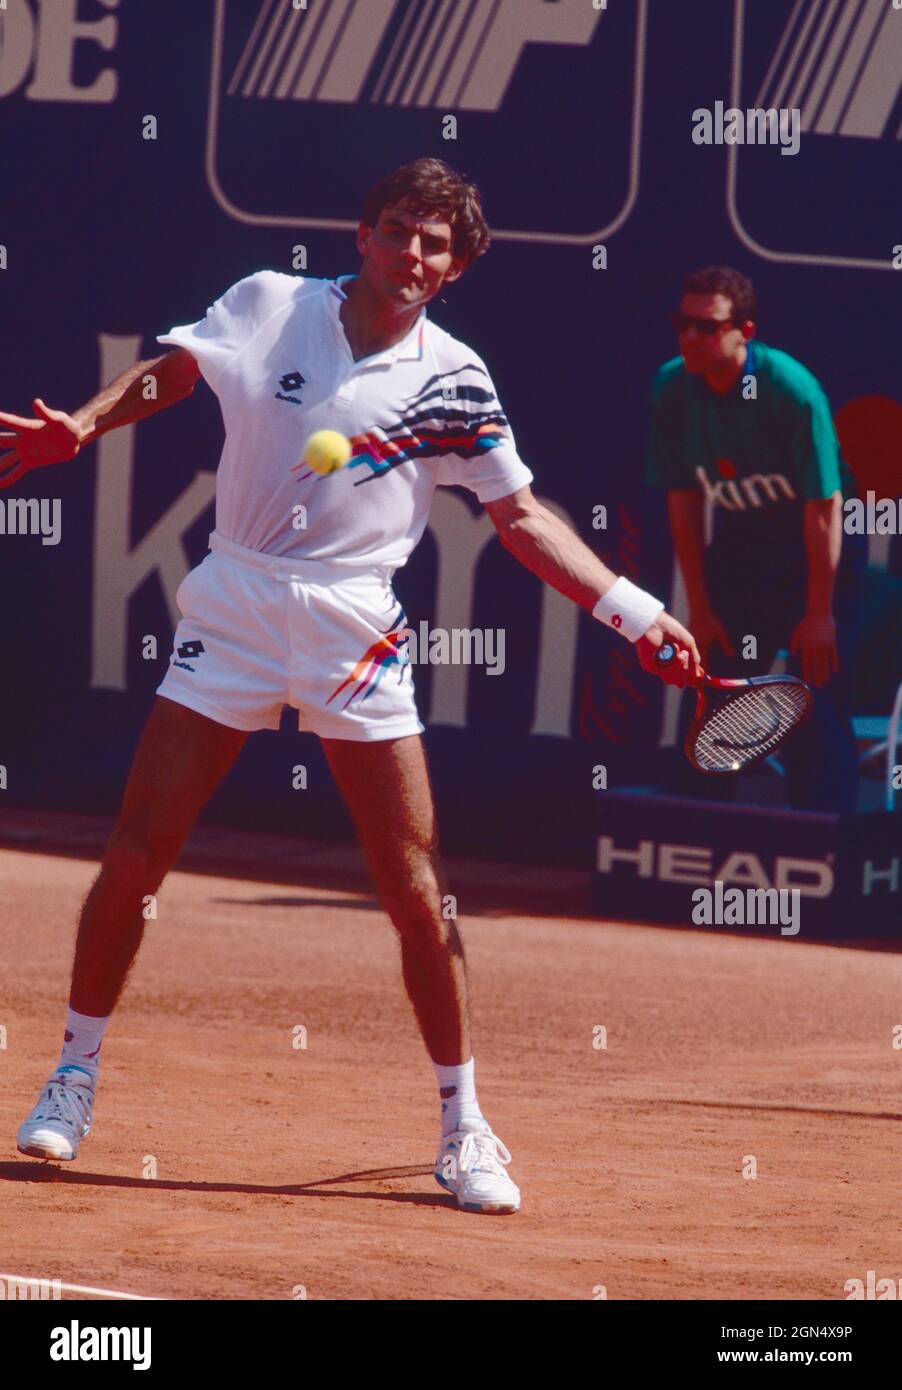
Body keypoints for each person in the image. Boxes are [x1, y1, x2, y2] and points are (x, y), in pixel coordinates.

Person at [1, 158, 698, 1215]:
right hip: (235, 600)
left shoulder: (456, 379)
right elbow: (174, 371)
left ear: (455, 266)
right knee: (139, 845)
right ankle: (75, 1071)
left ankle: (464, 1126)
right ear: (362, 236)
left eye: (435, 243)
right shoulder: (269, 304)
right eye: (398, 232)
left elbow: (519, 519)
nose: (413, 254)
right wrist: (83, 428)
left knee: (415, 882)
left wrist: (632, 612)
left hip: (354, 623)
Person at [647, 266, 865, 812]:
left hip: (818, 551)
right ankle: (691, 838)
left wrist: (819, 615)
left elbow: (823, 509)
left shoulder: (792, 390)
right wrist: (699, 607)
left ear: (744, 330)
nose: (690, 338)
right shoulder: (672, 387)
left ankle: (820, 844)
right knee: (713, 685)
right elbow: (684, 501)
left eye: (706, 327)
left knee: (816, 691)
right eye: (682, 324)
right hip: (745, 547)